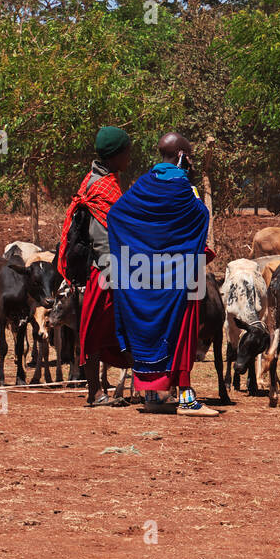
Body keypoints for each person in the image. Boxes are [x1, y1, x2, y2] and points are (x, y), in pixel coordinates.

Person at [105, 132, 219, 417]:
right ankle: (186, 399)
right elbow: (201, 217)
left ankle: (154, 397)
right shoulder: (183, 187)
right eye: (190, 156)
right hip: (182, 276)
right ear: (181, 156)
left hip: (143, 275)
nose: (191, 161)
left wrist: (135, 256)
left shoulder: (142, 184)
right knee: (183, 334)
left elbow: (116, 215)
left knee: (155, 333)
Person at [57, 125, 132, 406]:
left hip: (105, 272)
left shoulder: (97, 180)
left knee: (100, 334)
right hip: (105, 274)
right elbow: (103, 239)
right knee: (98, 335)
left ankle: (100, 390)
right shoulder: (102, 188)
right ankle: (95, 392)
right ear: (114, 156)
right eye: (126, 153)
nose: (129, 159)